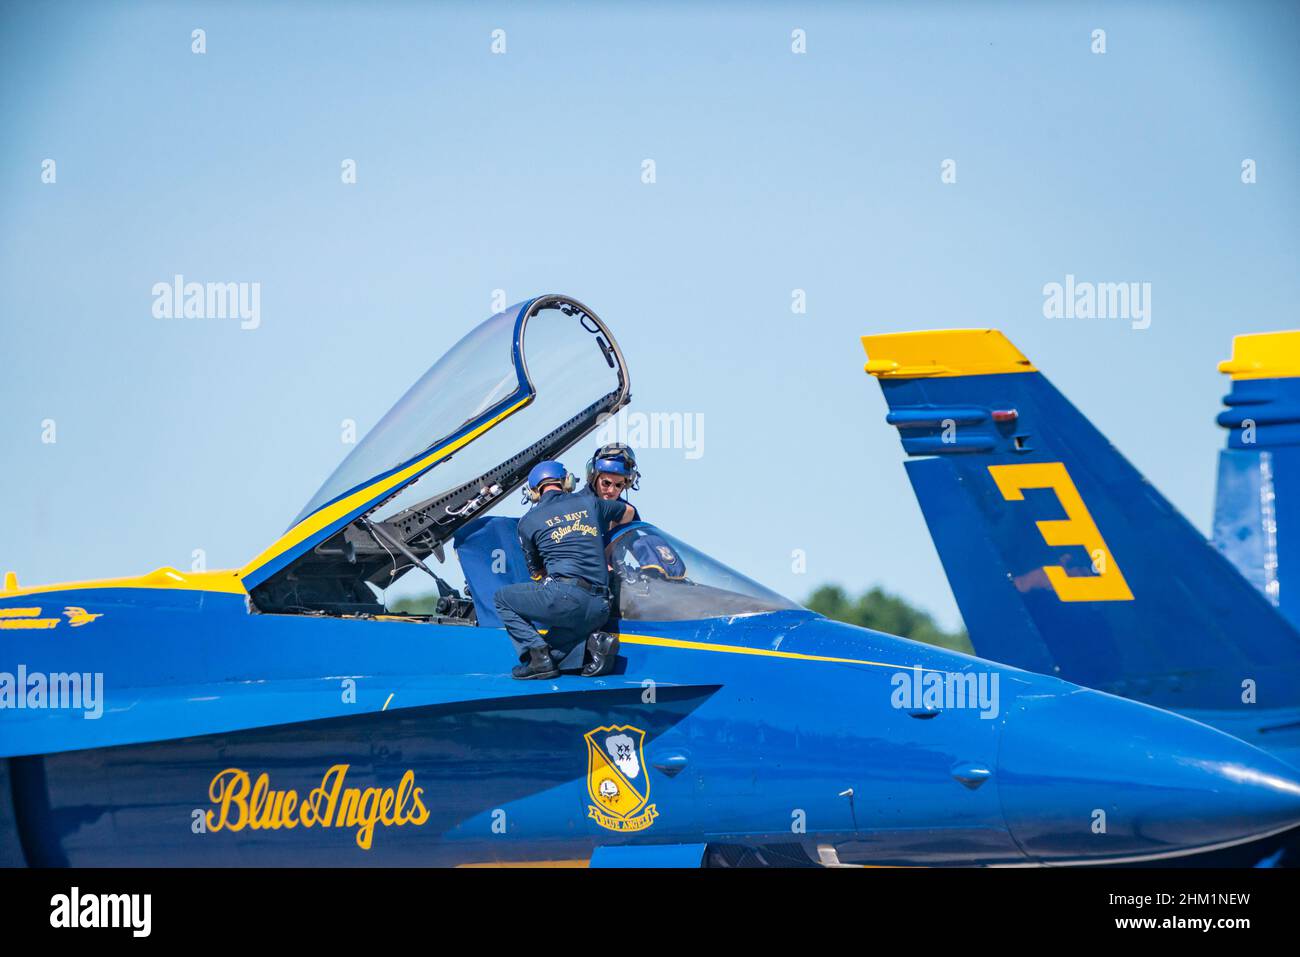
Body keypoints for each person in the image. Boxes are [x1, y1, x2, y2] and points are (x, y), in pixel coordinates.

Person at [494, 460, 634, 679]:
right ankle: (595, 647)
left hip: (567, 598)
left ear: (534, 491)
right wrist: (606, 549)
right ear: (567, 482)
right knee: (555, 652)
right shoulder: (590, 502)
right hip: (600, 607)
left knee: (502, 598)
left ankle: (536, 656)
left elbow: (537, 574)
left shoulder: (528, 521)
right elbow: (628, 512)